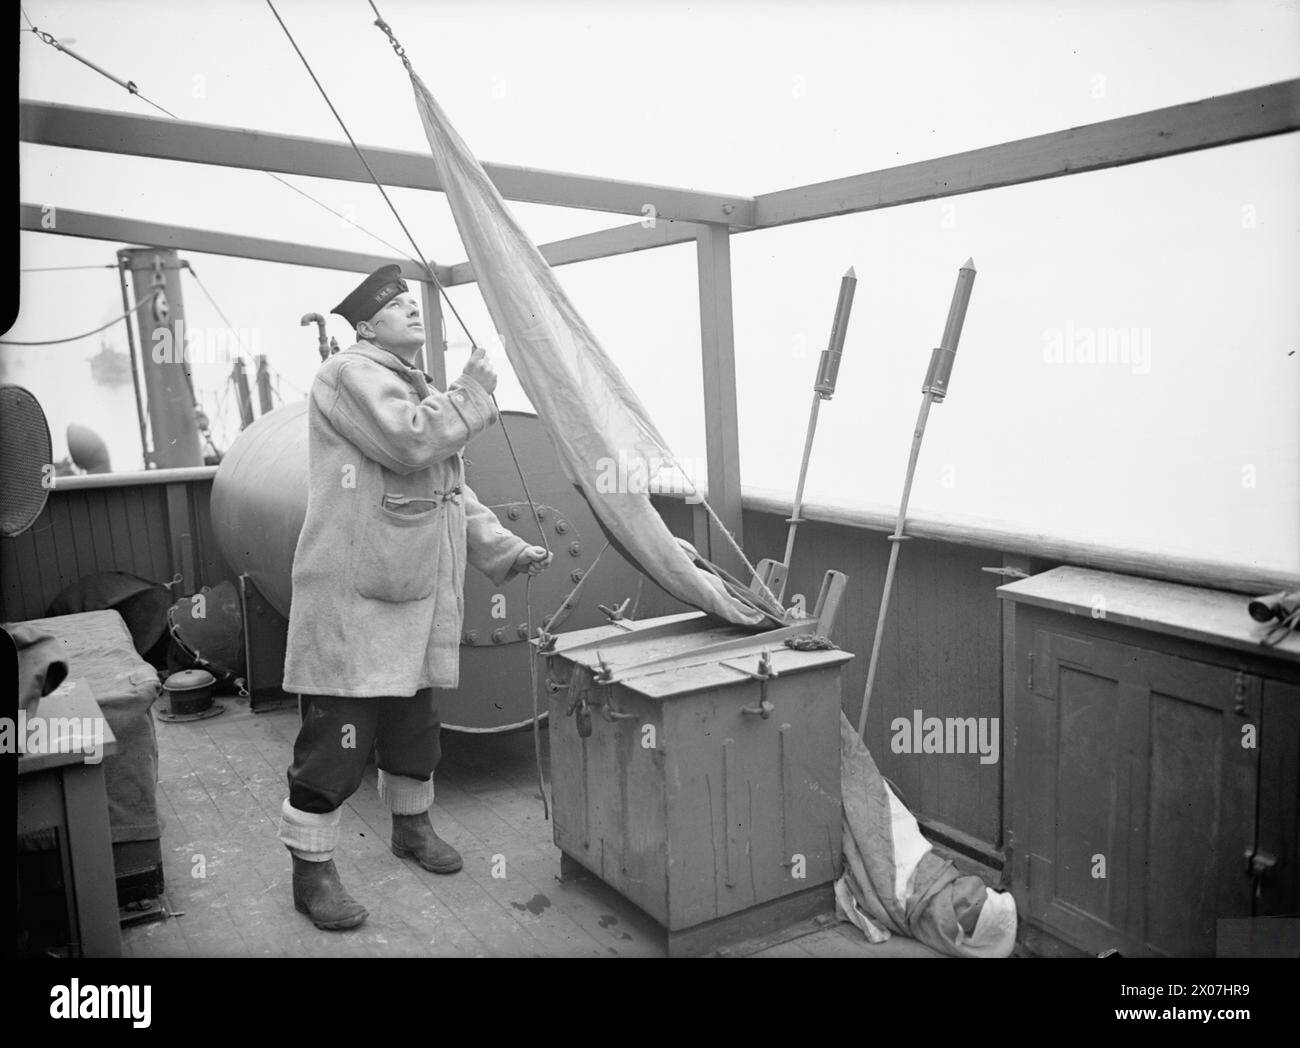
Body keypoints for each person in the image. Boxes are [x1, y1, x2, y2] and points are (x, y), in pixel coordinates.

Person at [278, 265, 551, 931]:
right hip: (355, 604)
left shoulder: (413, 386)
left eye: (411, 301)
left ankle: (411, 828)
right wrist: (474, 393)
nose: (411, 310)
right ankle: (311, 873)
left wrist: (503, 550)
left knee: (414, 727)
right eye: (396, 306)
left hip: (408, 601)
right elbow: (408, 444)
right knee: (336, 745)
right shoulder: (349, 375)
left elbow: (449, 493)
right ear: (366, 327)